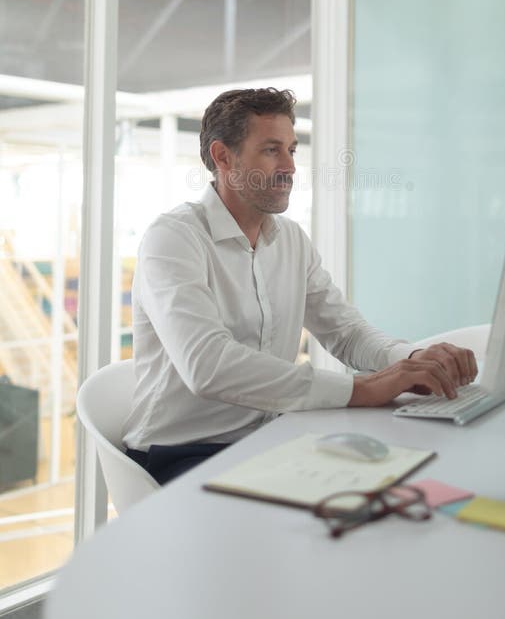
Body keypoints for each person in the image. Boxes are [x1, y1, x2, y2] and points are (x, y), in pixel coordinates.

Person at [123, 87, 477, 484]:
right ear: (224, 157)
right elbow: (208, 366)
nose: (290, 166)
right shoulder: (173, 239)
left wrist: (414, 359)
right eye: (272, 150)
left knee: (395, 483)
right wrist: (360, 389)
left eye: (292, 150)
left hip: (267, 439)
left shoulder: (290, 240)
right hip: (182, 453)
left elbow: (347, 334)